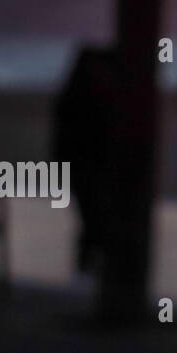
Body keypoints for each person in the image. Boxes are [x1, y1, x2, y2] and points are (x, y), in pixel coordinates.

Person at [53, 46, 119, 275]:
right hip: (86, 168)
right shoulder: (89, 101)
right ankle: (92, 272)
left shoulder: (75, 98)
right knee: (96, 220)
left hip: (81, 168)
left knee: (93, 221)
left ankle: (88, 272)